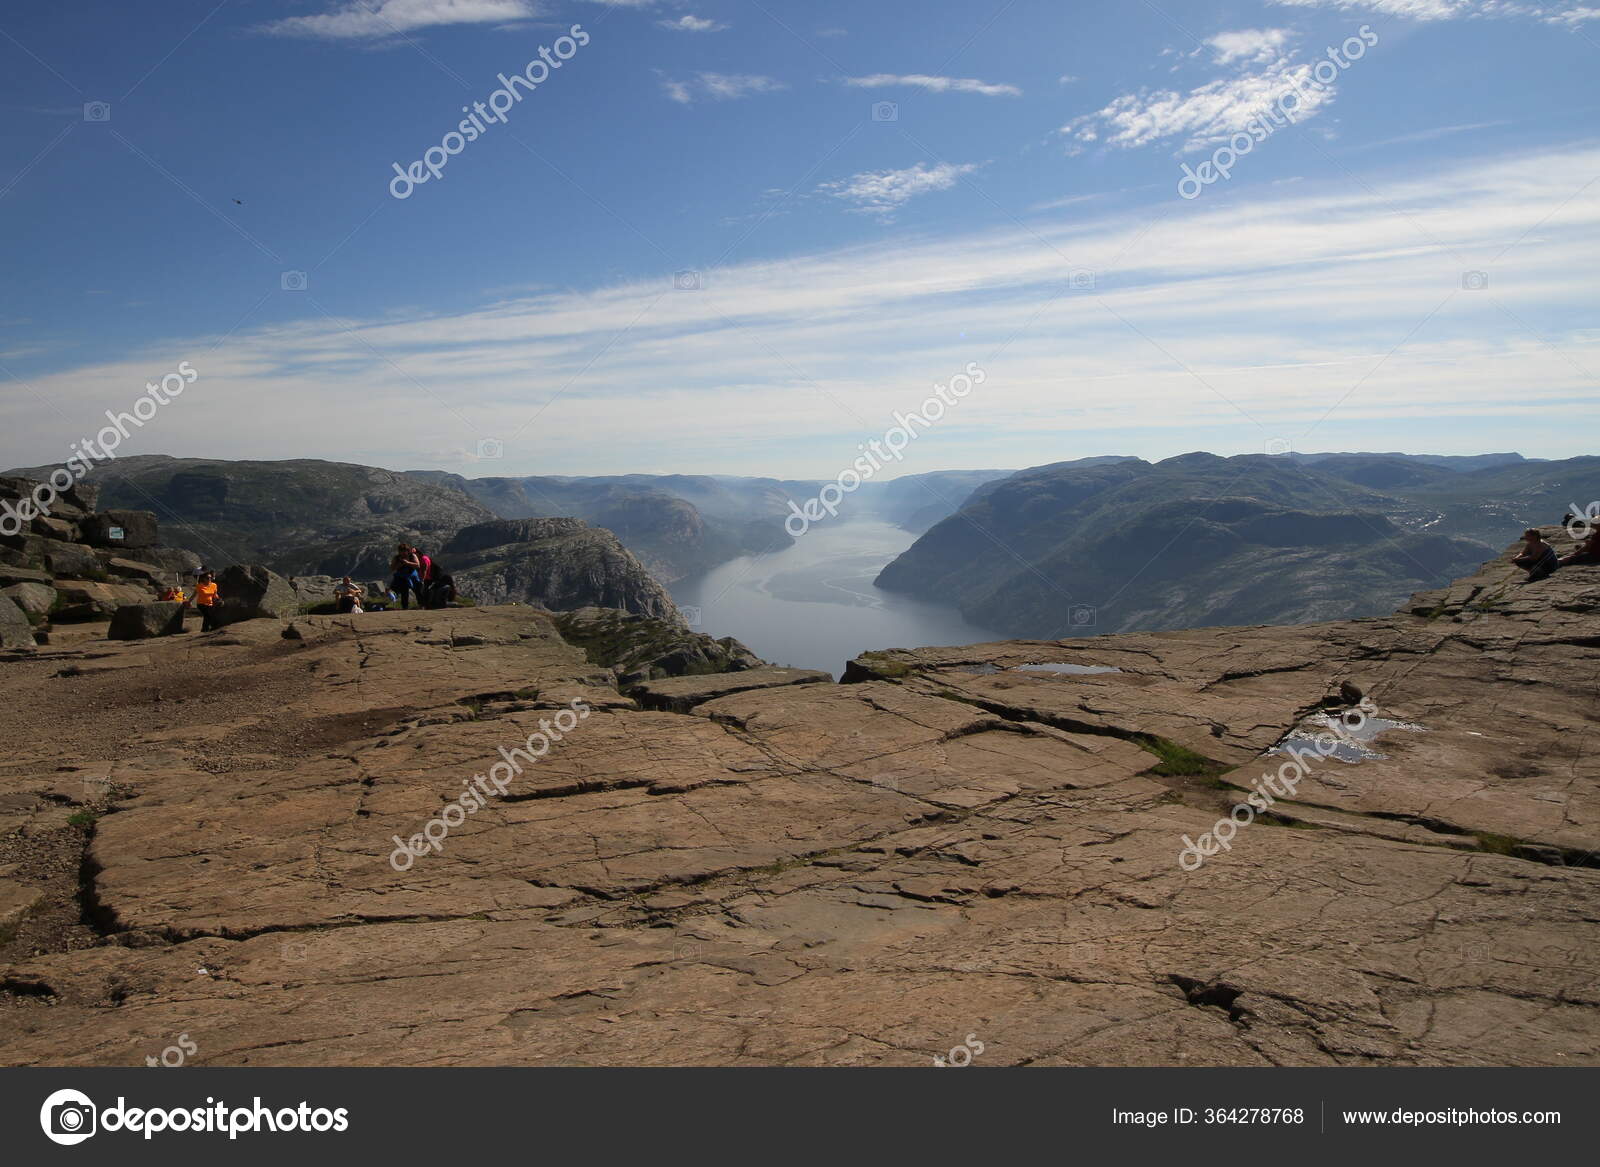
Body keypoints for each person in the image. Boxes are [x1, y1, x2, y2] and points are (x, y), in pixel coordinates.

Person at [389, 544, 422, 610]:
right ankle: (405, 607)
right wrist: (399, 565)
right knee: (404, 591)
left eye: (404, 551)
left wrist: (407, 563)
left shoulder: (412, 556)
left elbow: (418, 565)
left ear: (407, 551)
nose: (403, 553)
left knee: (418, 590)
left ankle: (421, 605)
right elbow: (392, 568)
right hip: (402, 577)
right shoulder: (397, 558)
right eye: (401, 551)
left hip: (412, 576)